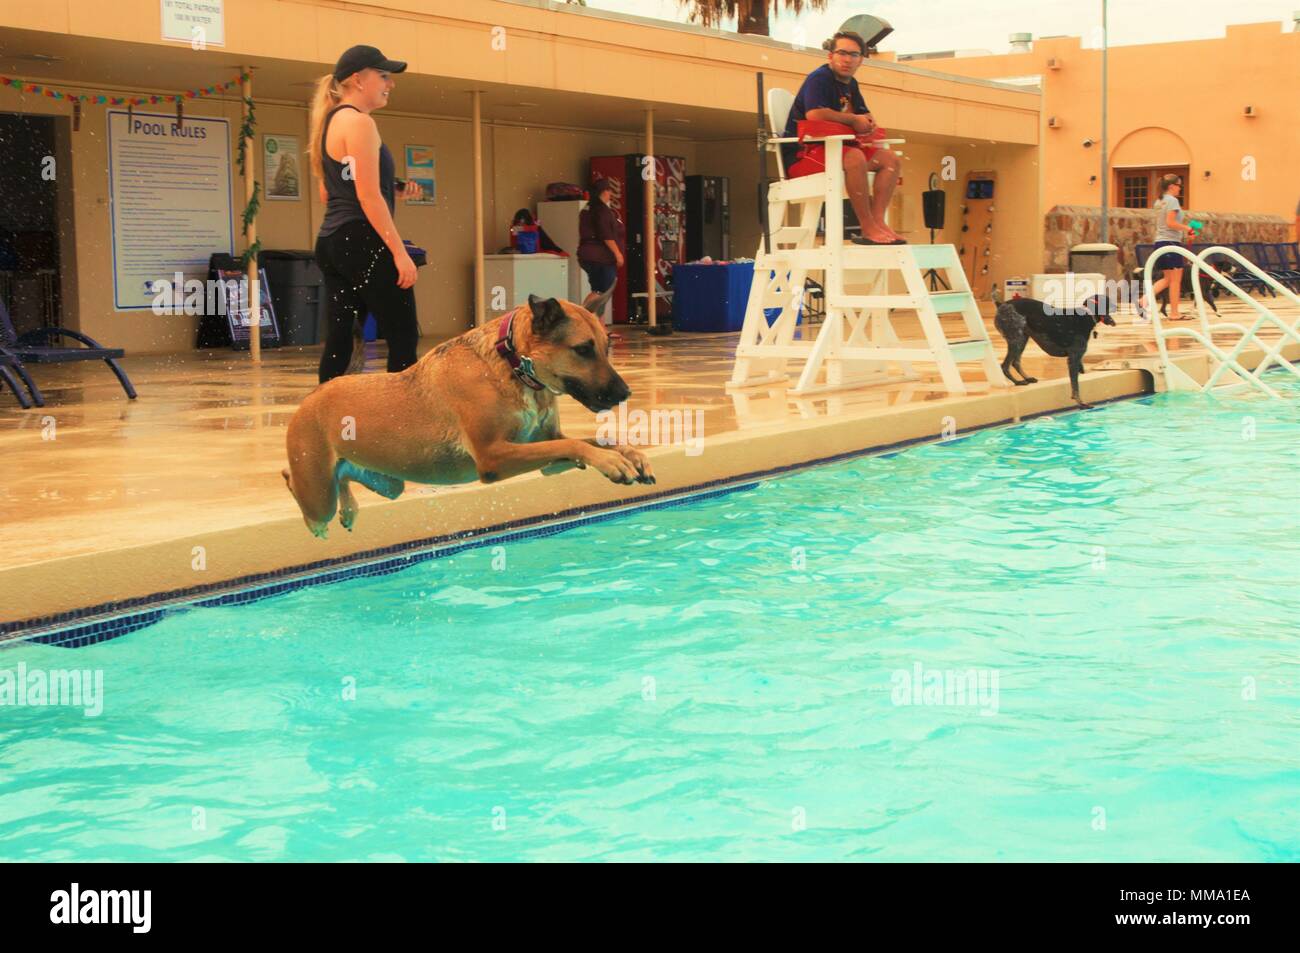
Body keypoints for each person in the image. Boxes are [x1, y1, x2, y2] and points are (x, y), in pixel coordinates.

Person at [308, 45, 424, 383]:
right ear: (358, 80)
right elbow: (367, 195)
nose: (391, 83)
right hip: (362, 241)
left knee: (342, 339)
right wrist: (399, 253)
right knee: (403, 336)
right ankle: (401, 425)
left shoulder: (330, 122)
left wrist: (394, 188)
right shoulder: (360, 123)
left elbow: (329, 191)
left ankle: (326, 418)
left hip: (332, 242)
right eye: (384, 76)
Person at [782, 31, 903, 245]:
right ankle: (866, 227)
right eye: (842, 53)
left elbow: (865, 114)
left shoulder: (851, 84)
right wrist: (854, 119)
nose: (847, 59)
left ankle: (877, 222)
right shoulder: (819, 78)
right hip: (803, 156)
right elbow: (815, 114)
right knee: (854, 157)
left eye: (854, 55)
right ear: (830, 56)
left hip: (837, 151)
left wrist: (866, 121)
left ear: (861, 60)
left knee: (889, 159)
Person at [1137, 174, 1197, 321]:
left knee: (1168, 279)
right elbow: (1170, 223)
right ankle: (1174, 313)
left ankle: (1143, 301)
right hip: (1170, 243)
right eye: (1179, 186)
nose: (1180, 189)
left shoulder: (1160, 201)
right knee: (1175, 279)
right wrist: (1187, 228)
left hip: (1161, 242)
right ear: (1171, 186)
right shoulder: (1172, 201)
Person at [577, 178, 625, 313]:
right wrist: (618, 254)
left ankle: (601, 327)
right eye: (609, 191)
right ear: (604, 192)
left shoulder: (587, 208)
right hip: (600, 257)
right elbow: (606, 235)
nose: (611, 194)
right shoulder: (601, 210)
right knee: (602, 291)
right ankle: (582, 317)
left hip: (586, 255)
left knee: (599, 291)